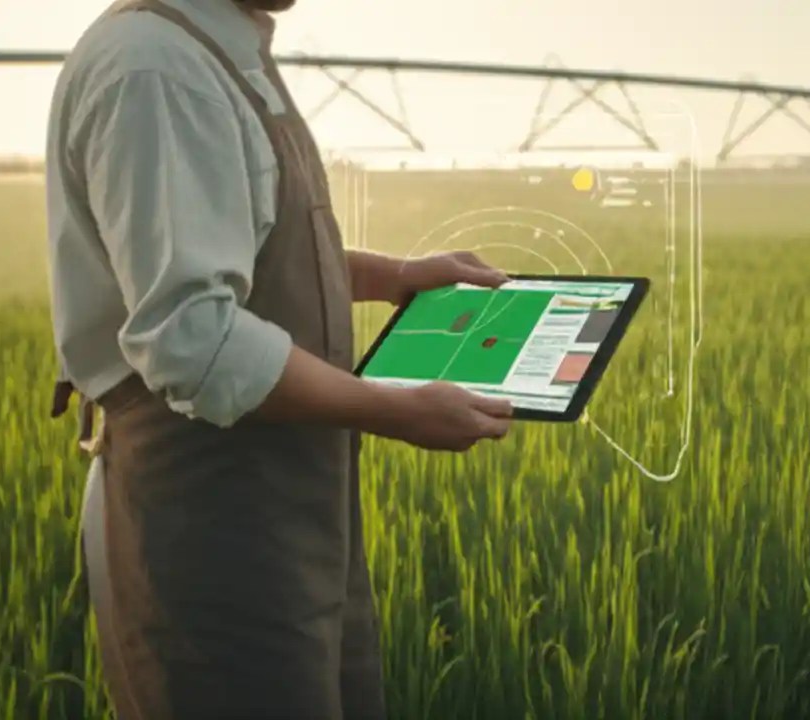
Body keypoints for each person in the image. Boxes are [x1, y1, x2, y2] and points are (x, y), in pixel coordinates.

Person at [43, 1, 515, 718]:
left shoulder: (218, 52)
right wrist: (397, 410)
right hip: (210, 514)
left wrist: (394, 276)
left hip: (285, 503)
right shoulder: (157, 69)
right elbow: (193, 336)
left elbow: (242, 254)